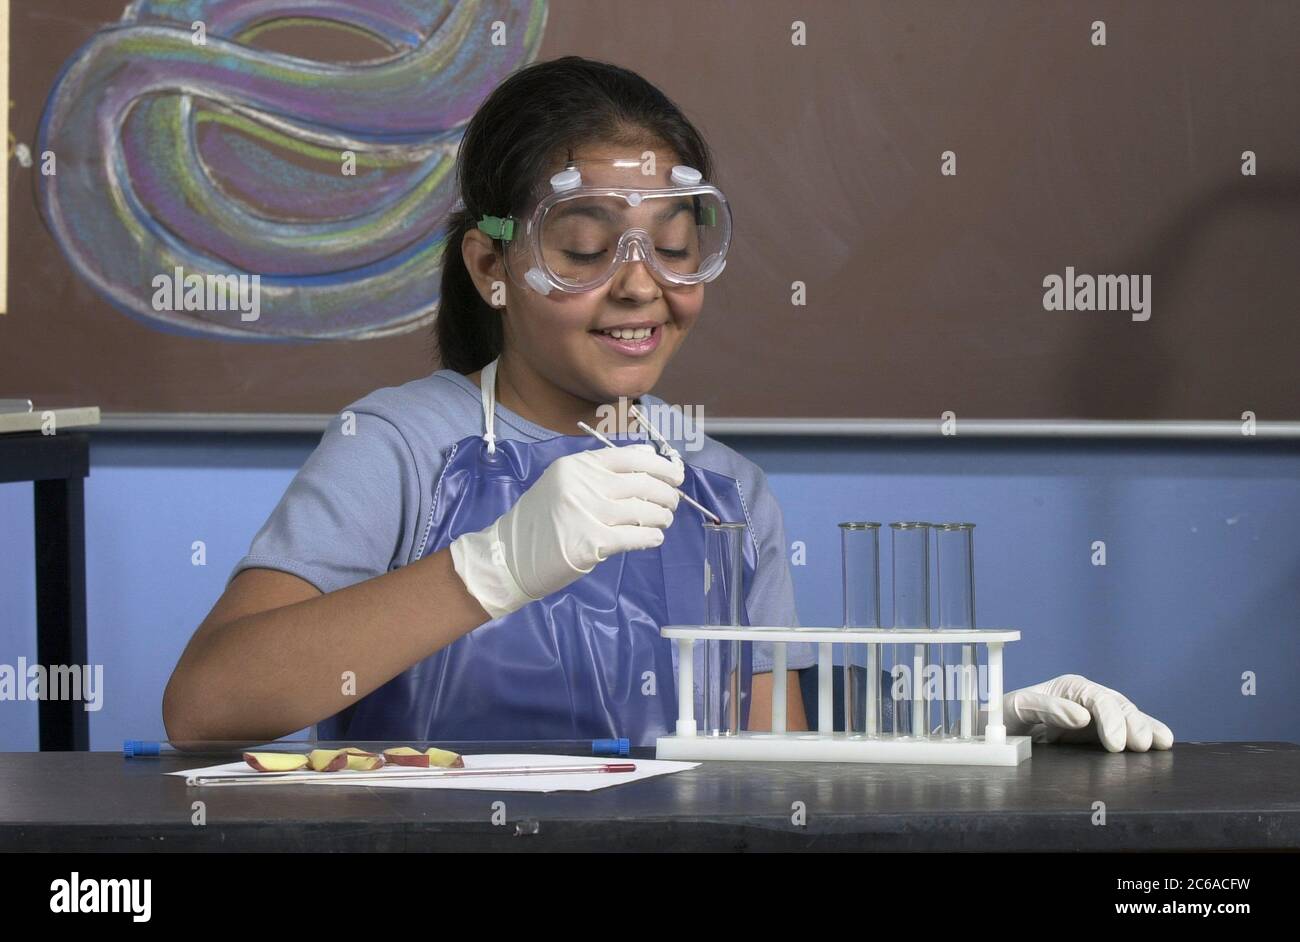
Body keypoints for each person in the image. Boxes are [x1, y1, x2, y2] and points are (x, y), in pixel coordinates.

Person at [163, 56, 1172, 754]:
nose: (640, 285)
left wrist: (978, 722)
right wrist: (489, 567)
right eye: (586, 245)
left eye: (675, 244)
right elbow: (208, 706)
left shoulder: (726, 493)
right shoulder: (400, 444)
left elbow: (760, 726)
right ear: (490, 264)